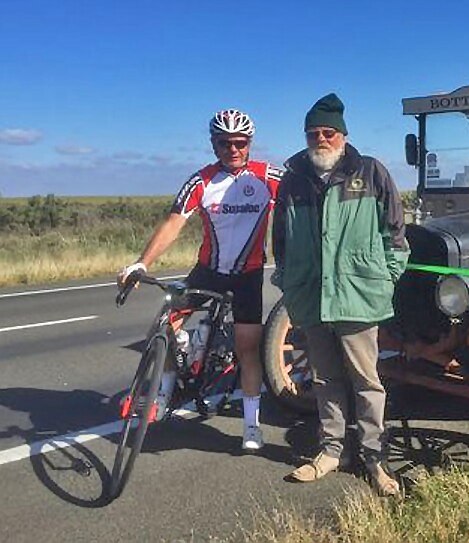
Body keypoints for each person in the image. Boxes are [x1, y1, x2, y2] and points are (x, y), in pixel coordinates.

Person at [118, 109, 281, 451]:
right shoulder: (201, 181)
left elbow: (306, 199)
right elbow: (173, 223)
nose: (232, 149)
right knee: (163, 327)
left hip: (248, 276)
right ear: (213, 144)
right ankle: (161, 394)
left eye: (239, 142)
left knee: (248, 349)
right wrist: (140, 263)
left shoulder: (268, 176)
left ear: (249, 143)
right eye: (224, 142)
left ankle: (251, 426)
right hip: (207, 271)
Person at [271, 93, 409, 496]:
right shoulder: (293, 178)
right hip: (312, 295)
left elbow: (395, 234)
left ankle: (375, 459)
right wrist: (288, 277)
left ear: (343, 136)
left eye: (328, 132)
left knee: (366, 381)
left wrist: (384, 278)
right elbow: (280, 238)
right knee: (324, 377)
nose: (320, 139)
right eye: (313, 133)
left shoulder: (370, 173)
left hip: (357, 294)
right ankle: (332, 452)